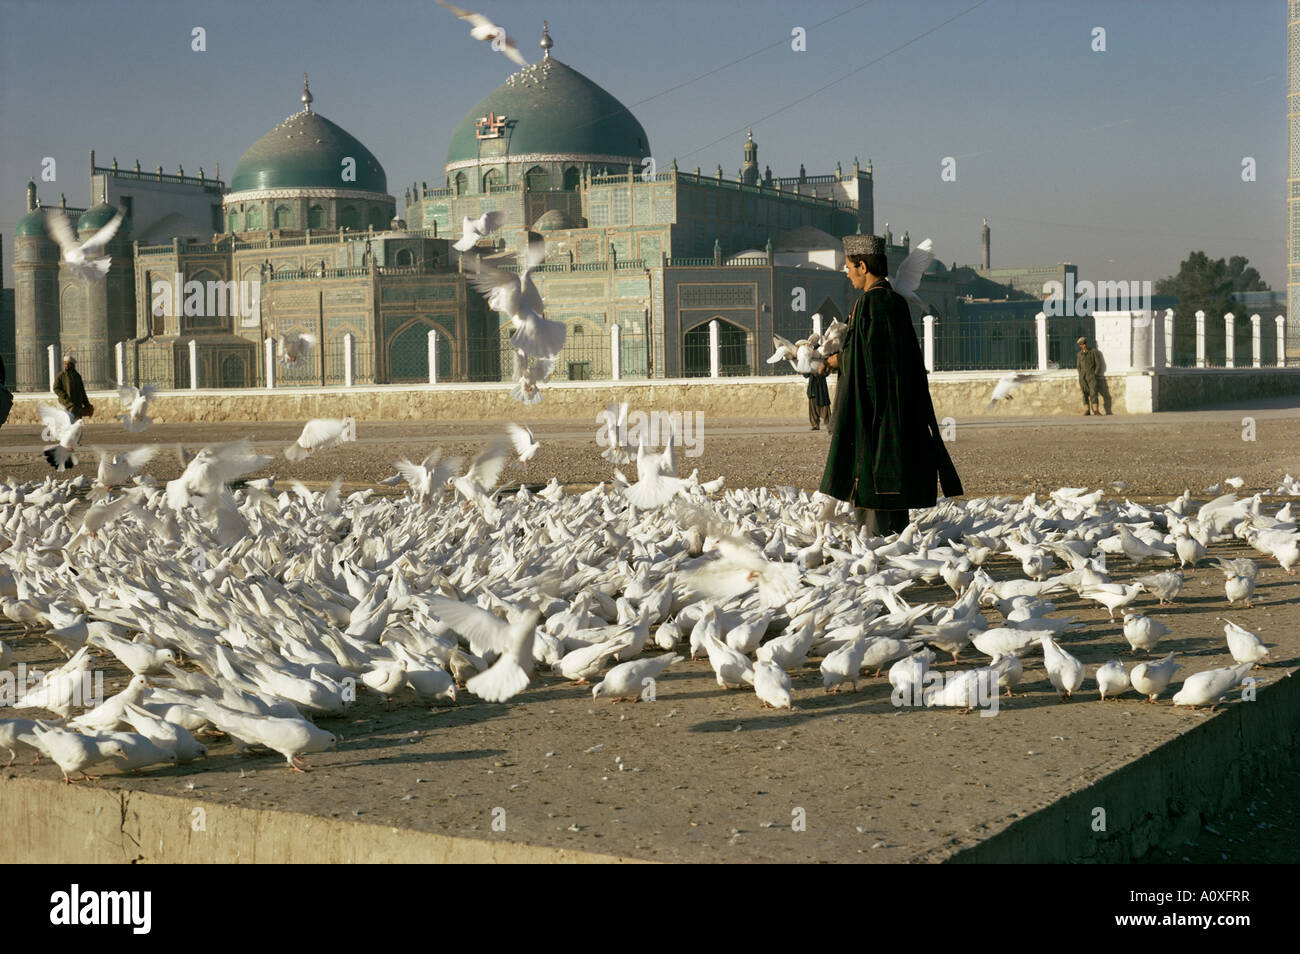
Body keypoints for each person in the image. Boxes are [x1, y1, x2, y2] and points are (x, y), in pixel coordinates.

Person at [819, 234, 962, 534]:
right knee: (890, 496)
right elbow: (877, 358)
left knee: (876, 494)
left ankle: (881, 559)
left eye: (848, 267)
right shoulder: (893, 302)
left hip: (877, 417)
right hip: (895, 414)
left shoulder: (872, 305)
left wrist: (836, 362)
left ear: (862, 266)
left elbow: (871, 366)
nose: (846, 274)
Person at [53, 355, 92, 422]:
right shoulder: (61, 375)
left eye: (68, 364)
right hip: (65, 405)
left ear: (72, 365)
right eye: (65, 363)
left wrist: (87, 405)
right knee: (67, 424)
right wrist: (64, 397)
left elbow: (82, 392)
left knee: (77, 426)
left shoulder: (77, 376)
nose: (66, 365)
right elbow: (56, 388)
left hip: (77, 406)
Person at [1077, 336, 1105, 415]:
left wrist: (1095, 374)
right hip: (1083, 377)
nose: (1083, 345)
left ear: (1086, 343)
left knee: (1093, 392)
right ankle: (1087, 410)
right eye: (1081, 344)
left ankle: (1096, 410)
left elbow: (1098, 364)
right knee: (1084, 393)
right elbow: (1078, 366)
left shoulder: (1093, 352)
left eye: (1084, 344)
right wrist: (1080, 374)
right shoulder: (1079, 354)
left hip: (1091, 376)